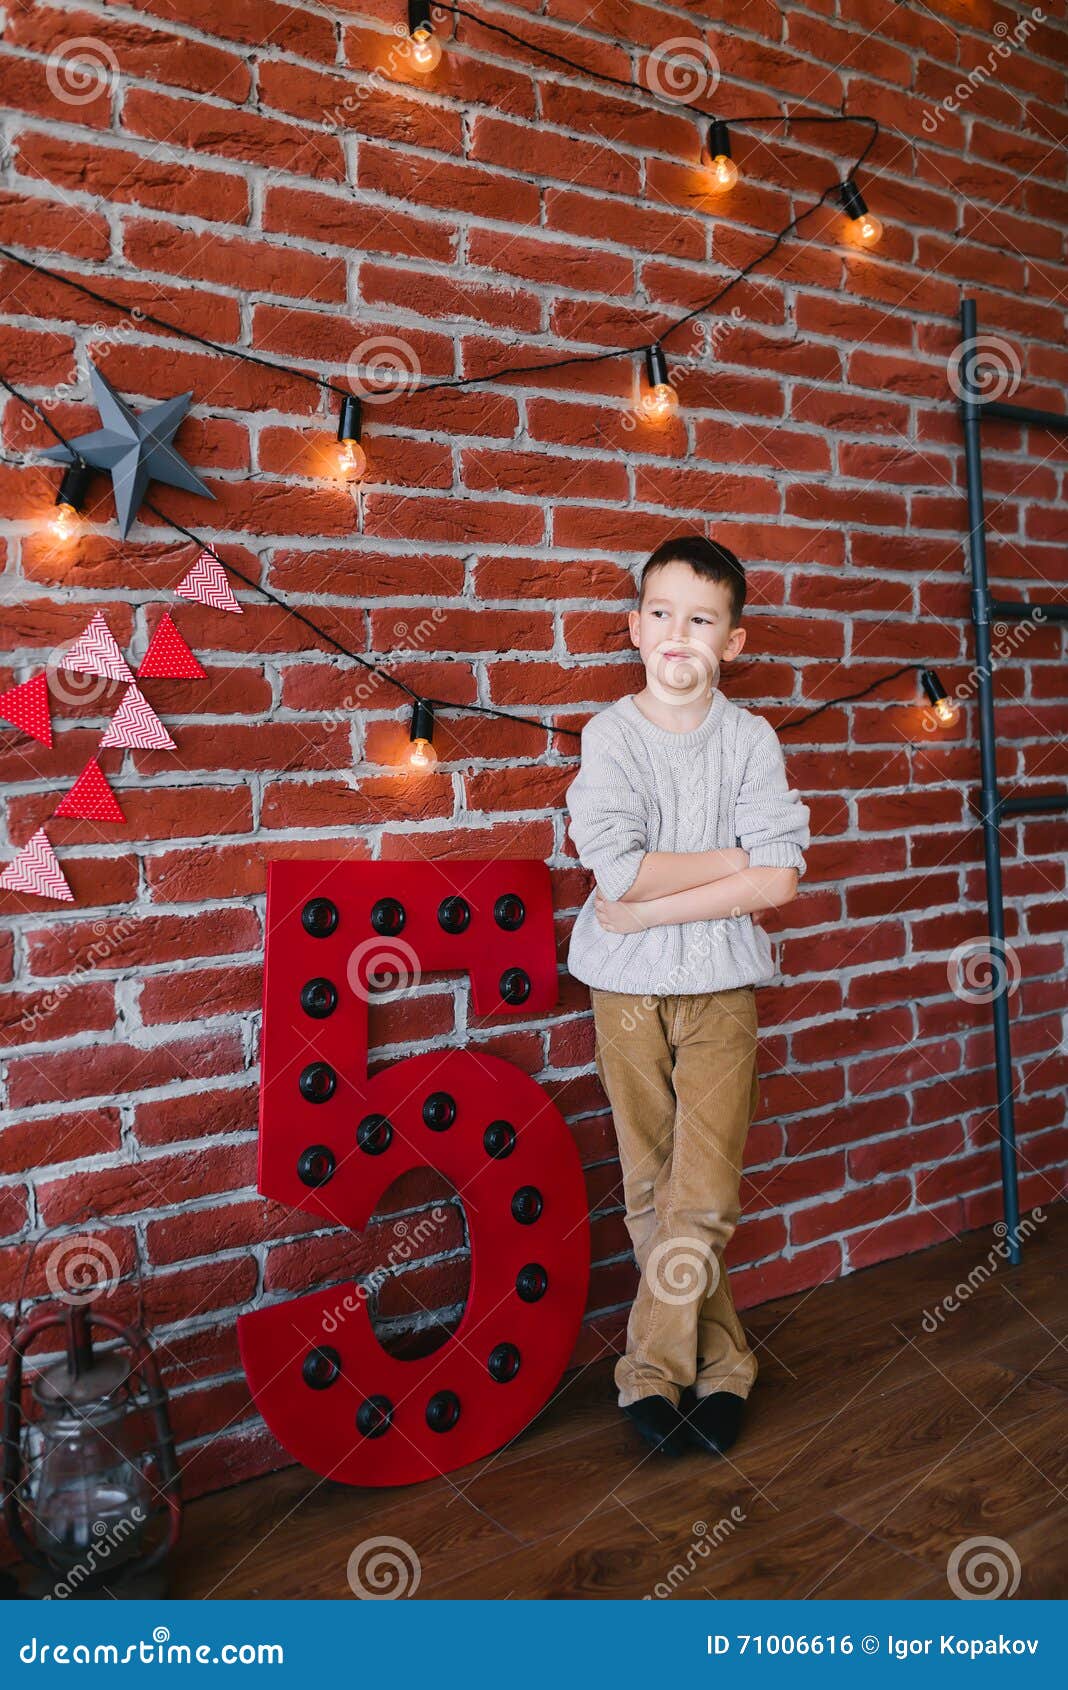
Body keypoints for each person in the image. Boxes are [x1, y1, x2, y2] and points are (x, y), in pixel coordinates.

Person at [564, 535, 810, 1460]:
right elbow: (619, 873)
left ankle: (647, 1373)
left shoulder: (749, 739)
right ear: (635, 628)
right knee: (651, 1188)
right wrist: (736, 861)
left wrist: (663, 902)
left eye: (701, 620)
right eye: (661, 614)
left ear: (731, 643)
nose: (678, 634)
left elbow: (781, 883)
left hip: (721, 992)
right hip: (622, 993)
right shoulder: (610, 735)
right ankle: (725, 1364)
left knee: (701, 1195)